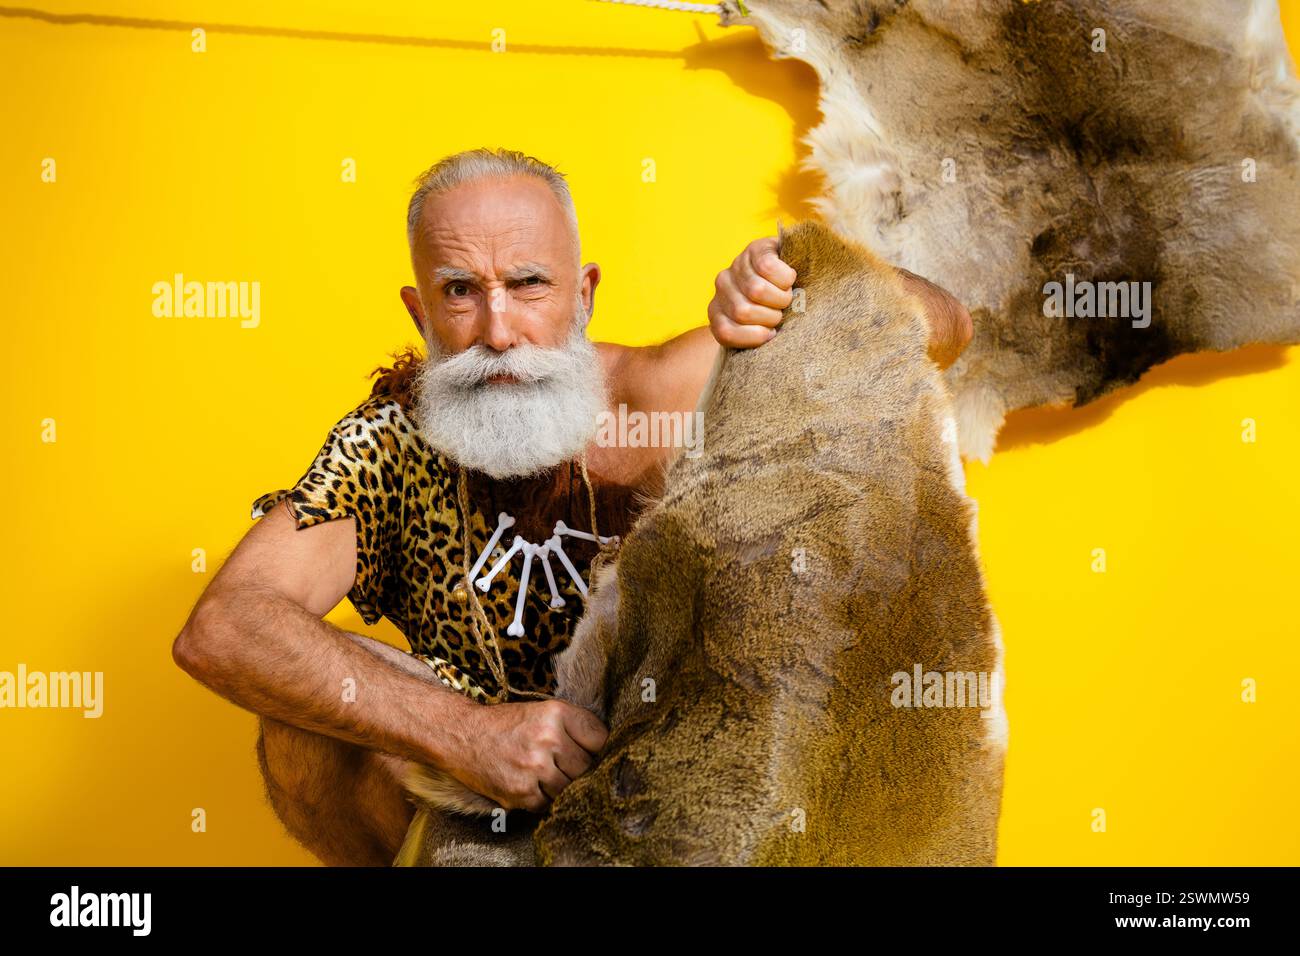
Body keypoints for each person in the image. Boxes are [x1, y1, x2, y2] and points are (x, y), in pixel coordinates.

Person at [171, 147, 973, 866]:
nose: (498, 330)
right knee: (304, 718)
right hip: (473, 782)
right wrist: (471, 735)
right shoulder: (389, 440)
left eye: (528, 285)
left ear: (582, 296)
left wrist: (799, 279)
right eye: (460, 292)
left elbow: (945, 327)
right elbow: (224, 627)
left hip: (674, 782)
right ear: (421, 315)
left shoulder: (666, 391)